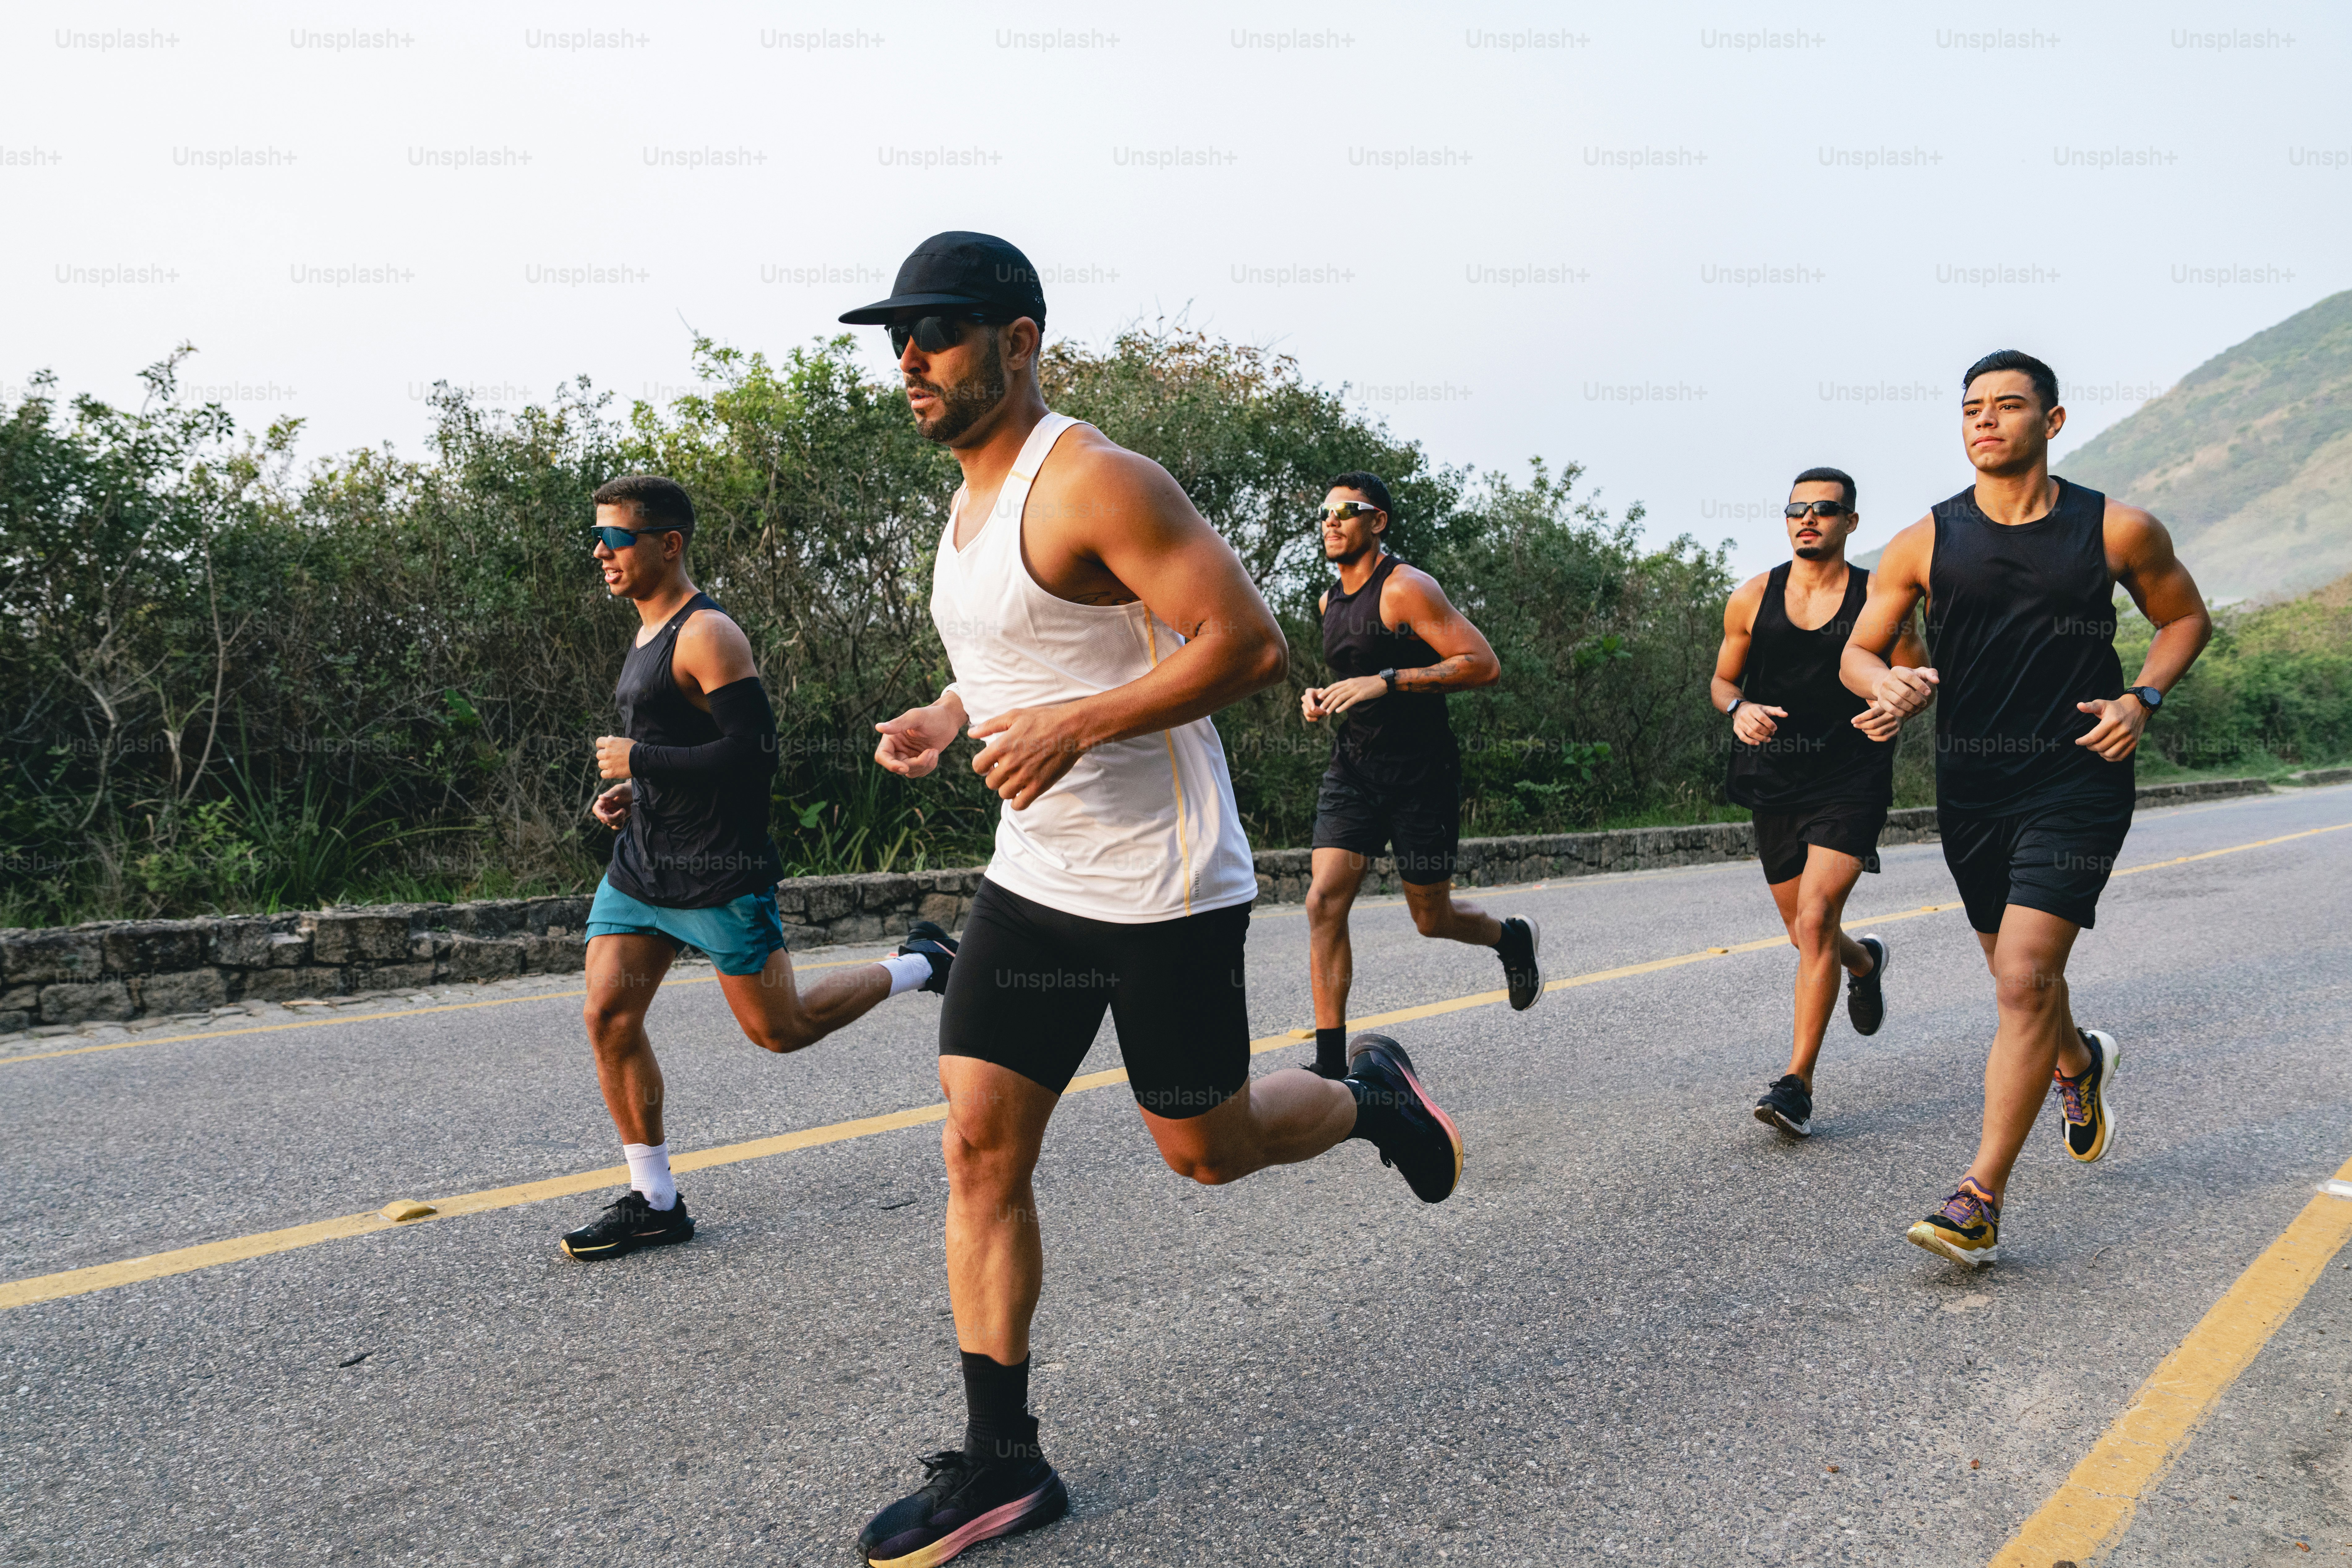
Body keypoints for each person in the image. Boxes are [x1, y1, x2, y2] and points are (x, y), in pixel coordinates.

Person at [852, 232, 1463, 1566]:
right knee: (977, 1150)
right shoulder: (963, 504)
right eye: (897, 332)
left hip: (1163, 888)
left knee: (1206, 1148)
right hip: (1035, 879)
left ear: (1018, 343)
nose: (911, 355)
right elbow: (1030, 647)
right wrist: (956, 711)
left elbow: (1248, 645)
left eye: (942, 328)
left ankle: (1371, 1095)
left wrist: (1076, 727)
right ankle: (1003, 1463)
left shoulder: (1097, 479)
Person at [1842, 351, 2212, 1267]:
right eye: (1971, 408)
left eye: (2008, 406)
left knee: (2019, 978)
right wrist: (1890, 681)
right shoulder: (1924, 540)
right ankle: (2078, 1064)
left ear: (2049, 423)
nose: (1985, 421)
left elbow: (2184, 619)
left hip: (2078, 774)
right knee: (2023, 978)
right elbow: (1859, 649)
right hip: (1970, 787)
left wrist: (2142, 699)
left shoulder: (2116, 529)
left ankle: (1977, 1196)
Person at [562, 474, 956, 1261]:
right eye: (597, 538)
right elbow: (687, 749)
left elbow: (753, 756)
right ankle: (655, 1201)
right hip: (643, 868)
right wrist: (637, 788)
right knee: (608, 1017)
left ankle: (920, 963)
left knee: (782, 1030)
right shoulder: (644, 631)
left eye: (616, 539)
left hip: (717, 872)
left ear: (667, 544)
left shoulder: (707, 635)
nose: (600, 554)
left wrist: (640, 755)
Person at [1301, 473, 1541, 1080]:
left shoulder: (1407, 589)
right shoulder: (1330, 603)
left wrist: (1388, 681)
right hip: (1353, 770)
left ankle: (1509, 939)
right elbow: (1351, 676)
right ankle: (1331, 1067)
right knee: (1324, 900)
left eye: (1346, 511)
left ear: (1377, 522)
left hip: (1420, 776)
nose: (1331, 522)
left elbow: (1482, 664)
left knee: (1431, 918)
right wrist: (1320, 697)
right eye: (1325, 513)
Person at [1710, 466, 1925, 1137]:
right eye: (1797, 509)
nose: (1809, 519)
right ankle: (1863, 962)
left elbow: (1914, 675)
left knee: (1816, 916)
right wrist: (1738, 709)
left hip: (1851, 773)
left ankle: (1796, 1083)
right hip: (1772, 777)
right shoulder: (1751, 597)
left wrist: (1901, 706)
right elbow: (1721, 681)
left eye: (1825, 510)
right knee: (1809, 934)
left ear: (1850, 523)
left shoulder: (1879, 599)